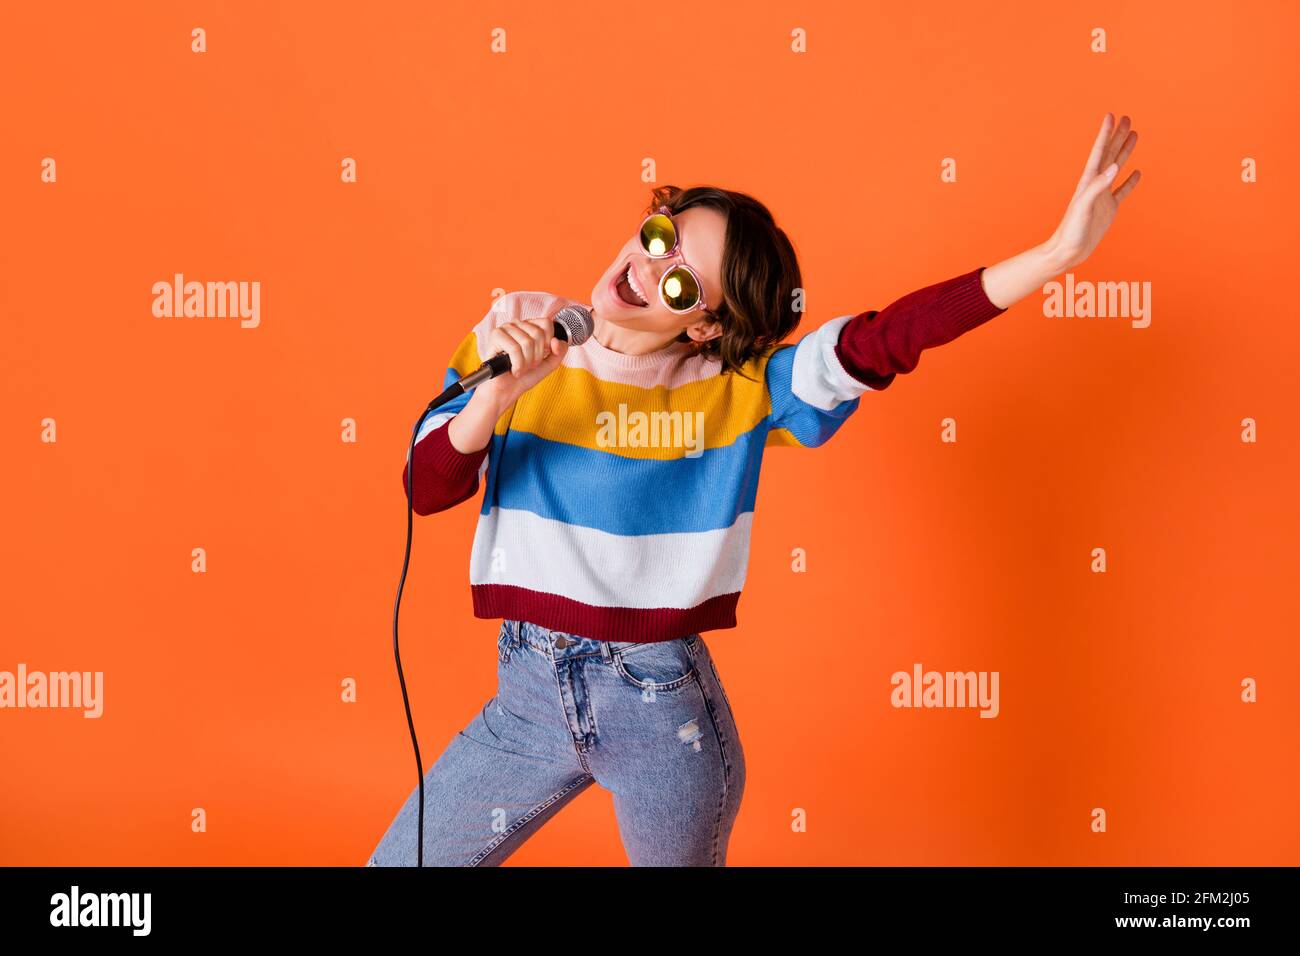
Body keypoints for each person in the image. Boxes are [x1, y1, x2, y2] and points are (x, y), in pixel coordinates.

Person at [366, 113, 1141, 867]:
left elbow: (889, 337)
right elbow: (427, 490)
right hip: (528, 694)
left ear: (706, 326)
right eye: (658, 237)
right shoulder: (516, 334)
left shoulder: (739, 392)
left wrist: (1053, 256)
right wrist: (496, 398)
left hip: (659, 712)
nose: (647, 266)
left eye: (682, 284)